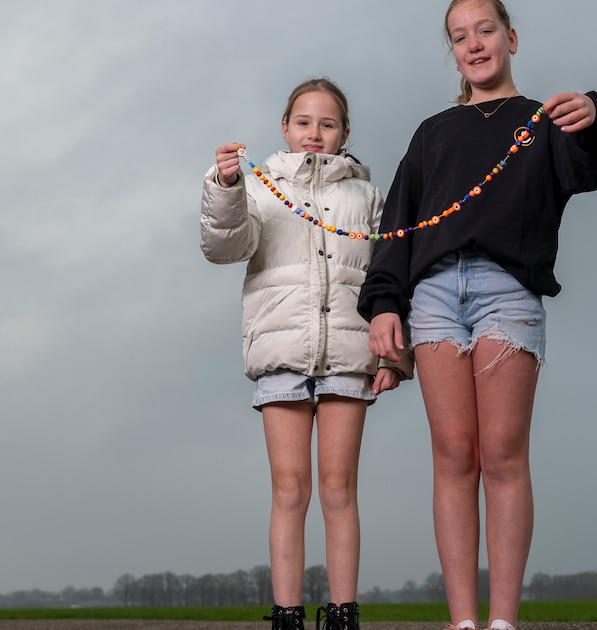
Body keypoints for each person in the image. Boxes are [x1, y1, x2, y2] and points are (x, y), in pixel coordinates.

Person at [357, 2, 597, 630]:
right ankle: (463, 623)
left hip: (507, 290)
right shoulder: (432, 133)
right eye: (459, 37)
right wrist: (384, 302)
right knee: (454, 454)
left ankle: (503, 621)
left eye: (485, 31)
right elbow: (398, 222)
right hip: (433, 295)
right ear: (452, 52)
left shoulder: (542, 124)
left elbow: (591, 168)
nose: (474, 44)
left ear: (511, 38)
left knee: (502, 452)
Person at [201, 77, 411, 630]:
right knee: (289, 489)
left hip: (348, 352)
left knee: (339, 488)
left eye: (327, 123)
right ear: (285, 128)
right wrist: (225, 186)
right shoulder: (258, 186)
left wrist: (393, 357)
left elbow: (389, 276)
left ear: (344, 132)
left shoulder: (367, 197)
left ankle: (343, 613)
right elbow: (223, 247)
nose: (314, 133)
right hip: (282, 353)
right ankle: (287, 615)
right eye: (303, 122)